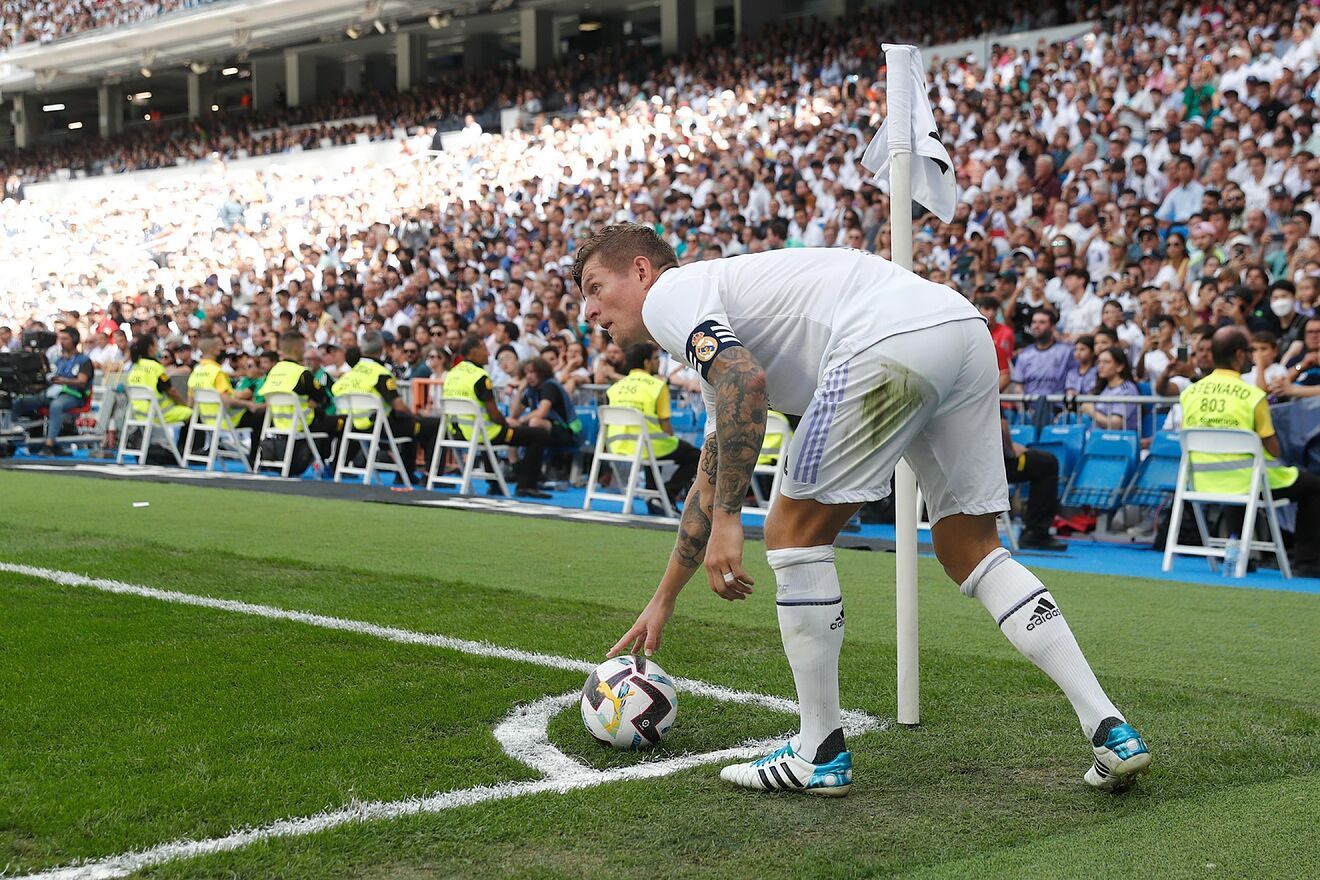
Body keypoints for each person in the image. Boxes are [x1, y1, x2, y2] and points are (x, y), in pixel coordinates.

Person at [581, 224, 1149, 797]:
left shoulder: (672, 297)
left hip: (882, 338)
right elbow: (714, 462)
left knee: (791, 533)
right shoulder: (716, 311)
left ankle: (818, 751)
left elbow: (745, 382)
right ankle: (1109, 727)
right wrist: (664, 597)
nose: (588, 310)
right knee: (971, 550)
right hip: (959, 328)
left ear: (641, 270)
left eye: (594, 287)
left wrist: (732, 519)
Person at [1180, 328, 1320, 578]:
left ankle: (1238, 550)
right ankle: (1307, 562)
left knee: (1240, 474)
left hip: (1199, 480)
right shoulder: (1253, 396)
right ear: (1239, 355)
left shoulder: (1190, 393)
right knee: (1313, 486)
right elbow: (1273, 448)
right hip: (1246, 480)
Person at [442, 334, 553, 498]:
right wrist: (507, 424)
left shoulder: (451, 374)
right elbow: (494, 415)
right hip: (480, 434)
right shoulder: (479, 376)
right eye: (484, 349)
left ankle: (494, 485)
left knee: (487, 430)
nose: (488, 354)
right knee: (538, 435)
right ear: (473, 352)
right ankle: (526, 485)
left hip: (456, 432)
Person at [604, 343, 703, 511]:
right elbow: (666, 427)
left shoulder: (615, 388)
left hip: (616, 445)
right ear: (646, 362)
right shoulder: (657, 386)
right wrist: (671, 439)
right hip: (647, 445)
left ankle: (653, 498)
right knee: (694, 455)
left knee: (654, 444)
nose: (659, 362)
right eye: (656, 358)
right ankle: (666, 493)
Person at [332, 330, 439, 480]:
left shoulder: (350, 373)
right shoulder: (380, 373)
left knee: (409, 423)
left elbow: (335, 392)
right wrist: (413, 414)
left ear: (362, 349)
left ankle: (335, 465)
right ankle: (429, 476)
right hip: (380, 427)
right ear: (382, 347)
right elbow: (398, 406)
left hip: (353, 426)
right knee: (430, 424)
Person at [12, 327, 94, 455]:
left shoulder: (84, 360)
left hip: (74, 395)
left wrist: (63, 381)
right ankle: (11, 435)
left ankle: (49, 445)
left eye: (65, 339)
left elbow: (82, 381)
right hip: (52, 392)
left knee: (56, 405)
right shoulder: (59, 360)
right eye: (60, 339)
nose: (61, 342)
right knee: (20, 401)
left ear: (74, 340)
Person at [260, 332, 334, 462]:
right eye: (303, 346)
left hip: (278, 423)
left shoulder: (273, 371)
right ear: (297, 348)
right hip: (303, 423)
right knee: (339, 423)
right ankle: (328, 466)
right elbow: (319, 398)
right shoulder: (302, 373)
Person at [125, 335, 192, 431]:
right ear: (151, 347)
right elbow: (171, 391)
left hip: (138, 414)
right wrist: (184, 404)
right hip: (157, 413)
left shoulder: (134, 367)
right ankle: (189, 446)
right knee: (190, 413)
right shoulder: (156, 367)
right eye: (156, 344)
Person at [1010, 309, 1074, 396]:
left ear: (1052, 327)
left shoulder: (1066, 352)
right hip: (1031, 407)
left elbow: (1073, 381)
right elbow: (1019, 386)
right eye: (1034, 322)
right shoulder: (1024, 354)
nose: (1036, 326)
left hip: (1057, 406)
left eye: (1042, 322)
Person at [1080, 348, 1141, 431]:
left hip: (1117, 440)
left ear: (1119, 366)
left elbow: (1115, 424)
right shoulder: (1103, 388)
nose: (1100, 366)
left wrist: (1091, 411)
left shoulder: (1127, 390)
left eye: (1106, 362)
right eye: (1099, 362)